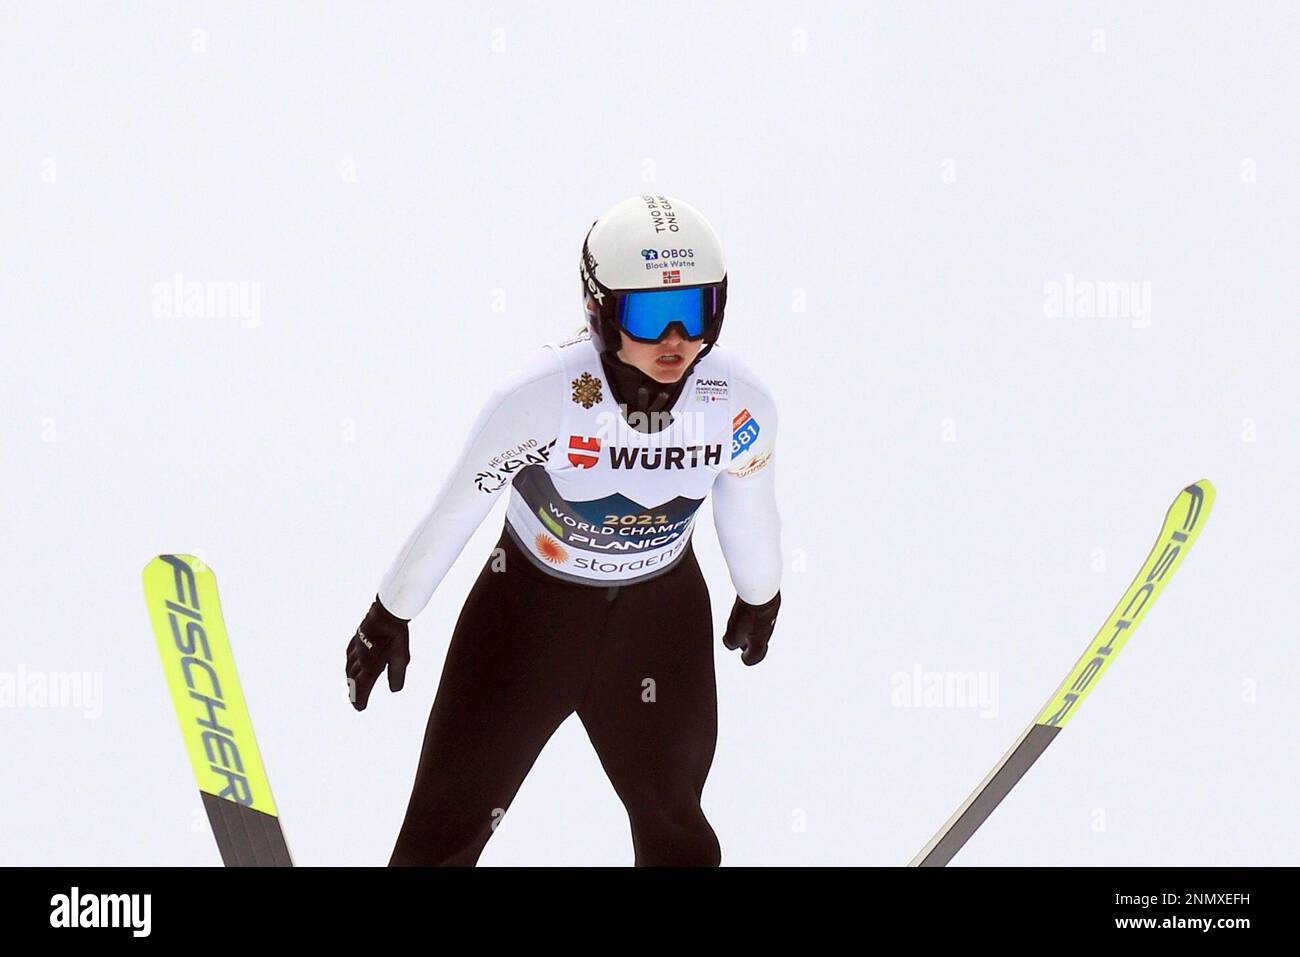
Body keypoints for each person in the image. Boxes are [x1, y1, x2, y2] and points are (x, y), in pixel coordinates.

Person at [346, 194, 782, 866]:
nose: (673, 340)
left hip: (658, 625)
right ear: (599, 309)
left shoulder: (738, 404)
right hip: (527, 618)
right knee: (449, 816)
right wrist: (390, 612)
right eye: (647, 314)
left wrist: (760, 593)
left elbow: (749, 507)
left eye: (693, 312)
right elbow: (459, 506)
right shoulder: (541, 396)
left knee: (675, 824)